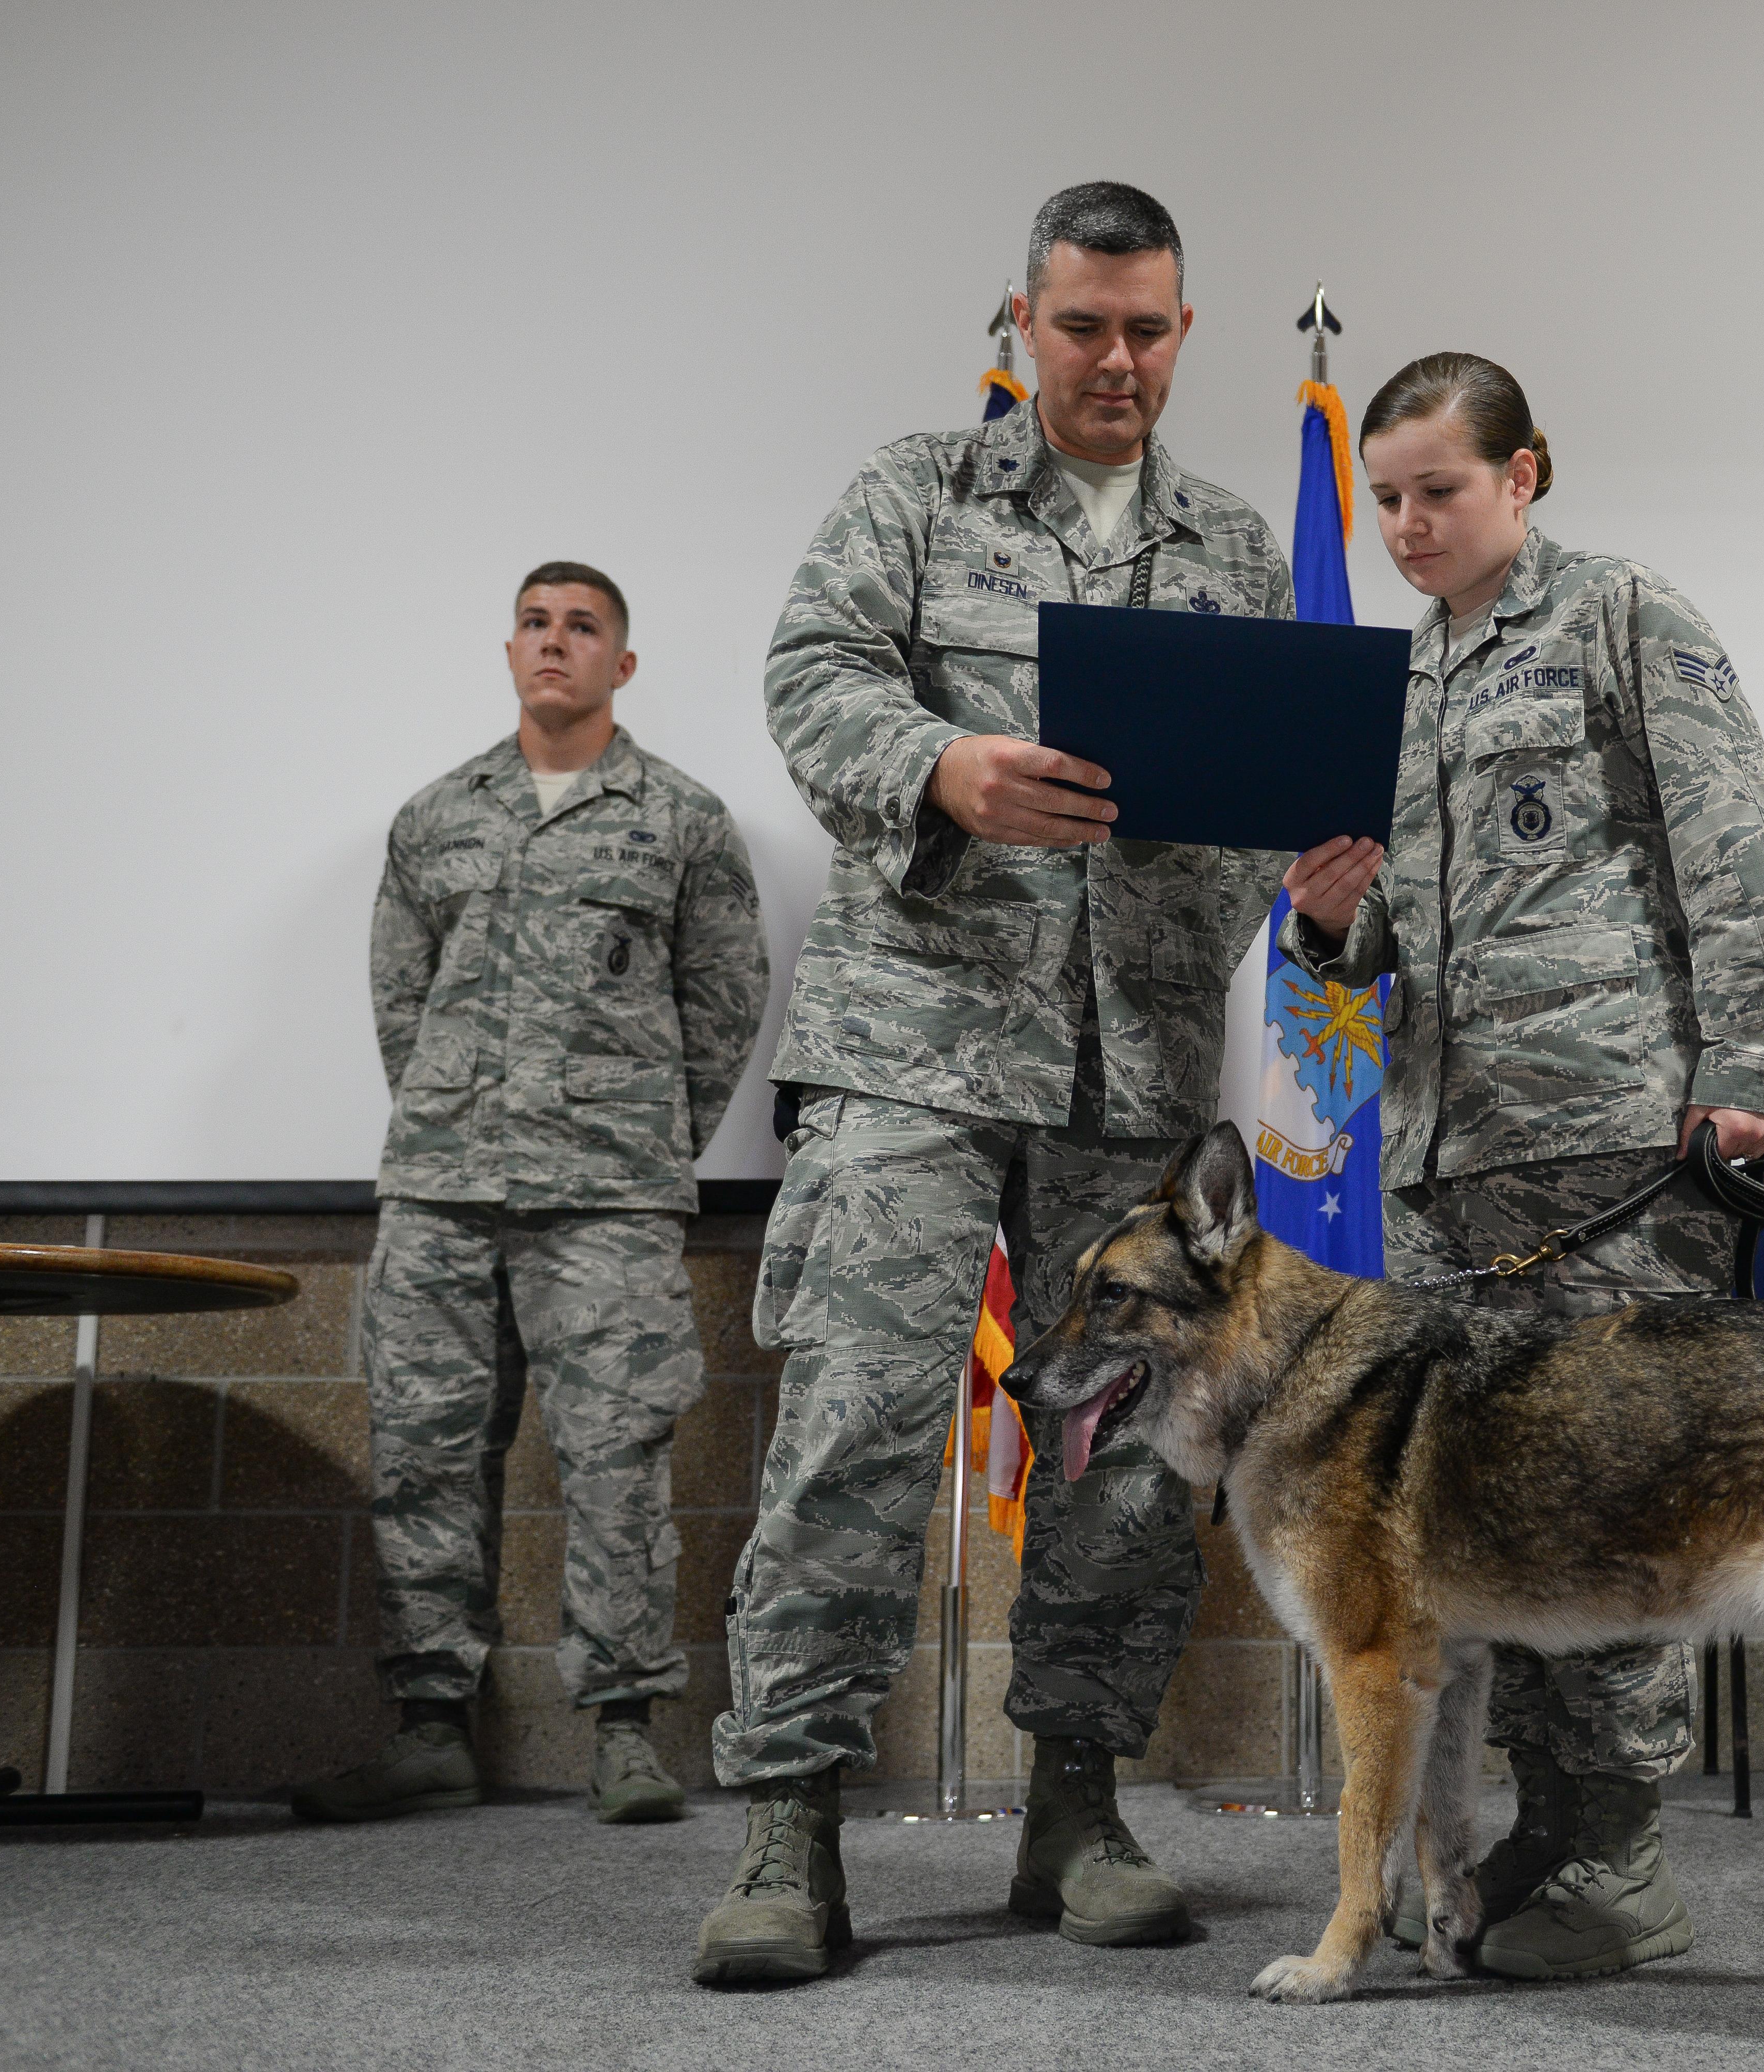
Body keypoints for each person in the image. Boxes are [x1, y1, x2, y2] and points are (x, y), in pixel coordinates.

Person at [694, 182, 1293, 1985]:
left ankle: (1077, 1808)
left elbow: (1263, 788)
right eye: (1082, 325)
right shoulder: (914, 492)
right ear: (1022, 323)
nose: (1115, 360)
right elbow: (810, 677)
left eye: (1149, 329)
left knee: (1119, 1457)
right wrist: (941, 763)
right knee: (859, 1422)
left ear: (1185, 333)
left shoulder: (1237, 544)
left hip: (1138, 1071)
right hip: (913, 1050)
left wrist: (1305, 861)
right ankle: (791, 1827)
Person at [1280, 352, 1764, 1979]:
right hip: (1451, 1163)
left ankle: (1623, 1854)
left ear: (1526, 476)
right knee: (1490, 1528)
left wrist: (1745, 1075)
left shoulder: (1620, 615)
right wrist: (1324, 922)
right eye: (1385, 499)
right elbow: (1381, 943)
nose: (1406, 525)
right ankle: (1551, 1831)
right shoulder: (1405, 678)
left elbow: (1739, 849)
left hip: (1613, 1153)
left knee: (1617, 1508)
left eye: (1438, 490)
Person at [298, 562, 770, 1827]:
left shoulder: (678, 818)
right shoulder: (437, 816)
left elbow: (725, 997)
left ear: (622, 663)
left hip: (607, 1199)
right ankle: (430, 1725)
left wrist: (645, 1135)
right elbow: (402, 998)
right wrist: (452, 1114)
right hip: (442, 1192)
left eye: (583, 627)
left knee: (617, 1461)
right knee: (424, 1453)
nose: (553, 643)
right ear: (508, 651)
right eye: (534, 623)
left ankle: (623, 1726)